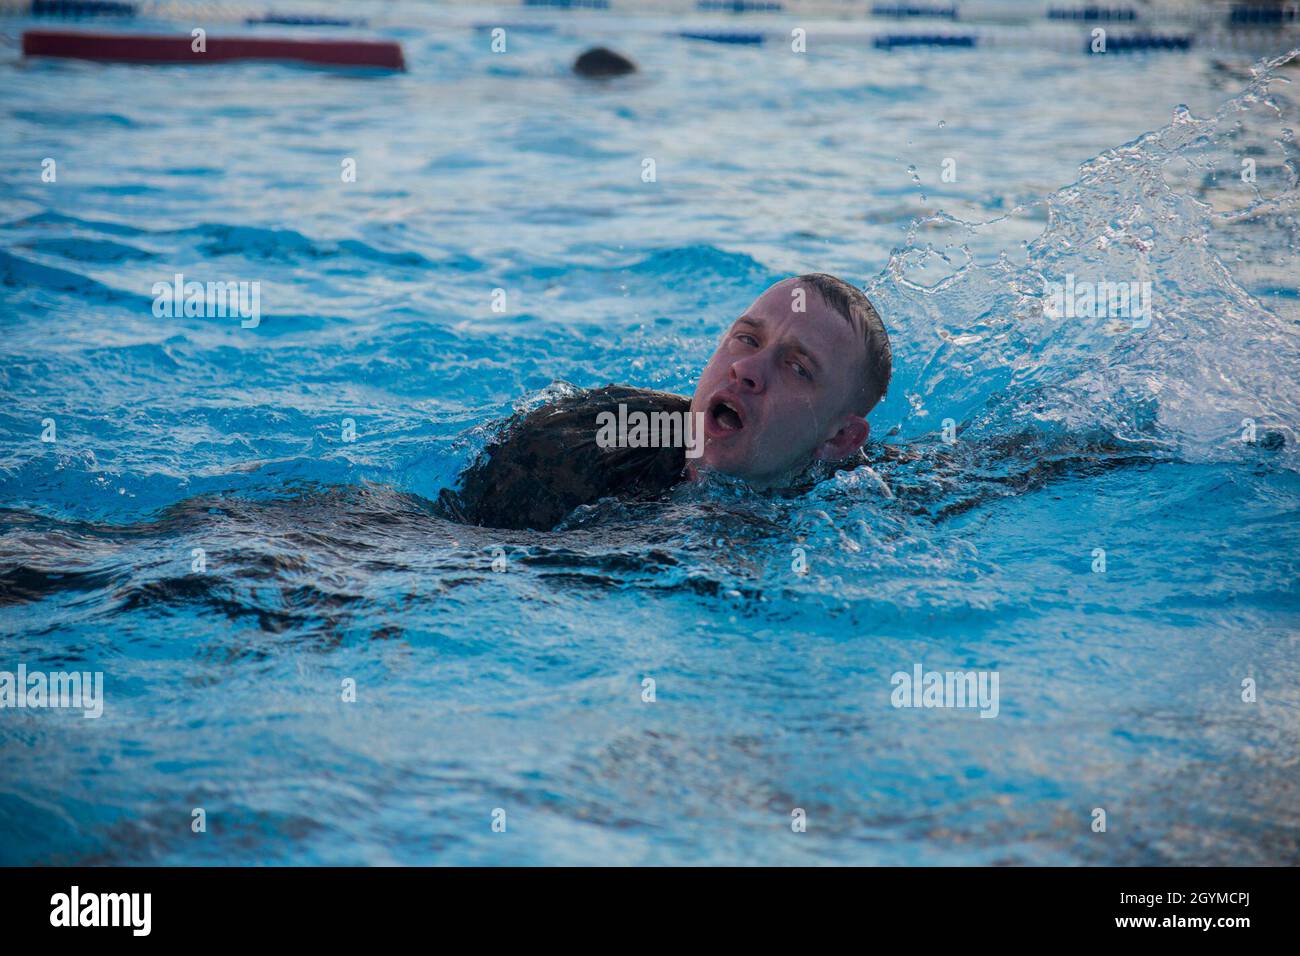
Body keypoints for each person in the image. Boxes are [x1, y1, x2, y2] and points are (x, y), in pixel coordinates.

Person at [435, 273, 893, 530]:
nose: (747, 370)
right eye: (746, 339)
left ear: (840, 438)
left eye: (797, 368)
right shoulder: (584, 441)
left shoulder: (873, 510)